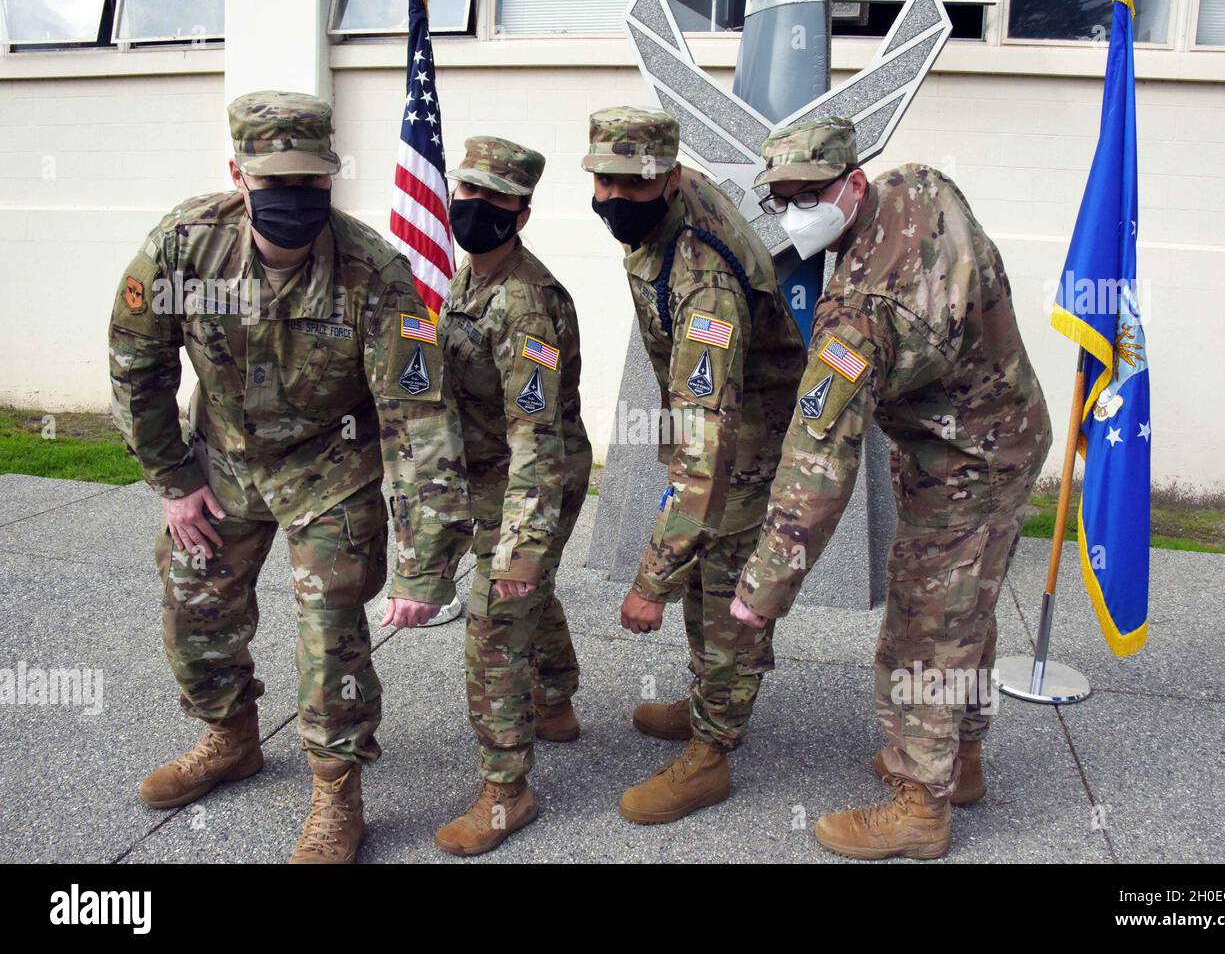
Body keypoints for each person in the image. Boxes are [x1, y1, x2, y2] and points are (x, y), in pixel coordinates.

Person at [110, 91, 472, 864]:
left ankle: (338, 792)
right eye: (276, 183)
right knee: (193, 603)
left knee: (331, 628)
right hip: (224, 459)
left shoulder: (375, 272)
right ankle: (229, 736)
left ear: (331, 180)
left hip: (329, 467)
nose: (295, 200)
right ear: (237, 173)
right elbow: (136, 363)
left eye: (312, 184)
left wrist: (423, 560)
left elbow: (418, 420)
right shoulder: (184, 246)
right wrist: (173, 479)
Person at [731, 116, 1052, 860]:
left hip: (969, 455)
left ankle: (921, 804)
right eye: (780, 198)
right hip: (1002, 422)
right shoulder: (917, 184)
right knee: (963, 604)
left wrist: (762, 588)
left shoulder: (858, 315)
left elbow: (819, 462)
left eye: (809, 194)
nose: (794, 211)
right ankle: (960, 761)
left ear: (850, 183)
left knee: (925, 623)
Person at [582, 107, 805, 823]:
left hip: (748, 436)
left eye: (633, 184)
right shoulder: (663, 210)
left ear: (671, 178)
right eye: (604, 180)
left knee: (727, 588)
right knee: (705, 578)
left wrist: (651, 579)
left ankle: (711, 752)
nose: (615, 197)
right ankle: (707, 697)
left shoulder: (703, 279)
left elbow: (710, 443)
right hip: (716, 421)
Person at [430, 137, 593, 856]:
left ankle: (507, 788)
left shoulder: (525, 304)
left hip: (536, 474)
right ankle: (554, 698)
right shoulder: (471, 280)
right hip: (492, 474)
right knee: (529, 592)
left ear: (520, 215)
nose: (474, 208)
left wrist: (521, 544)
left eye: (494, 201)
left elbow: (537, 433)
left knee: (498, 611)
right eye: (468, 192)